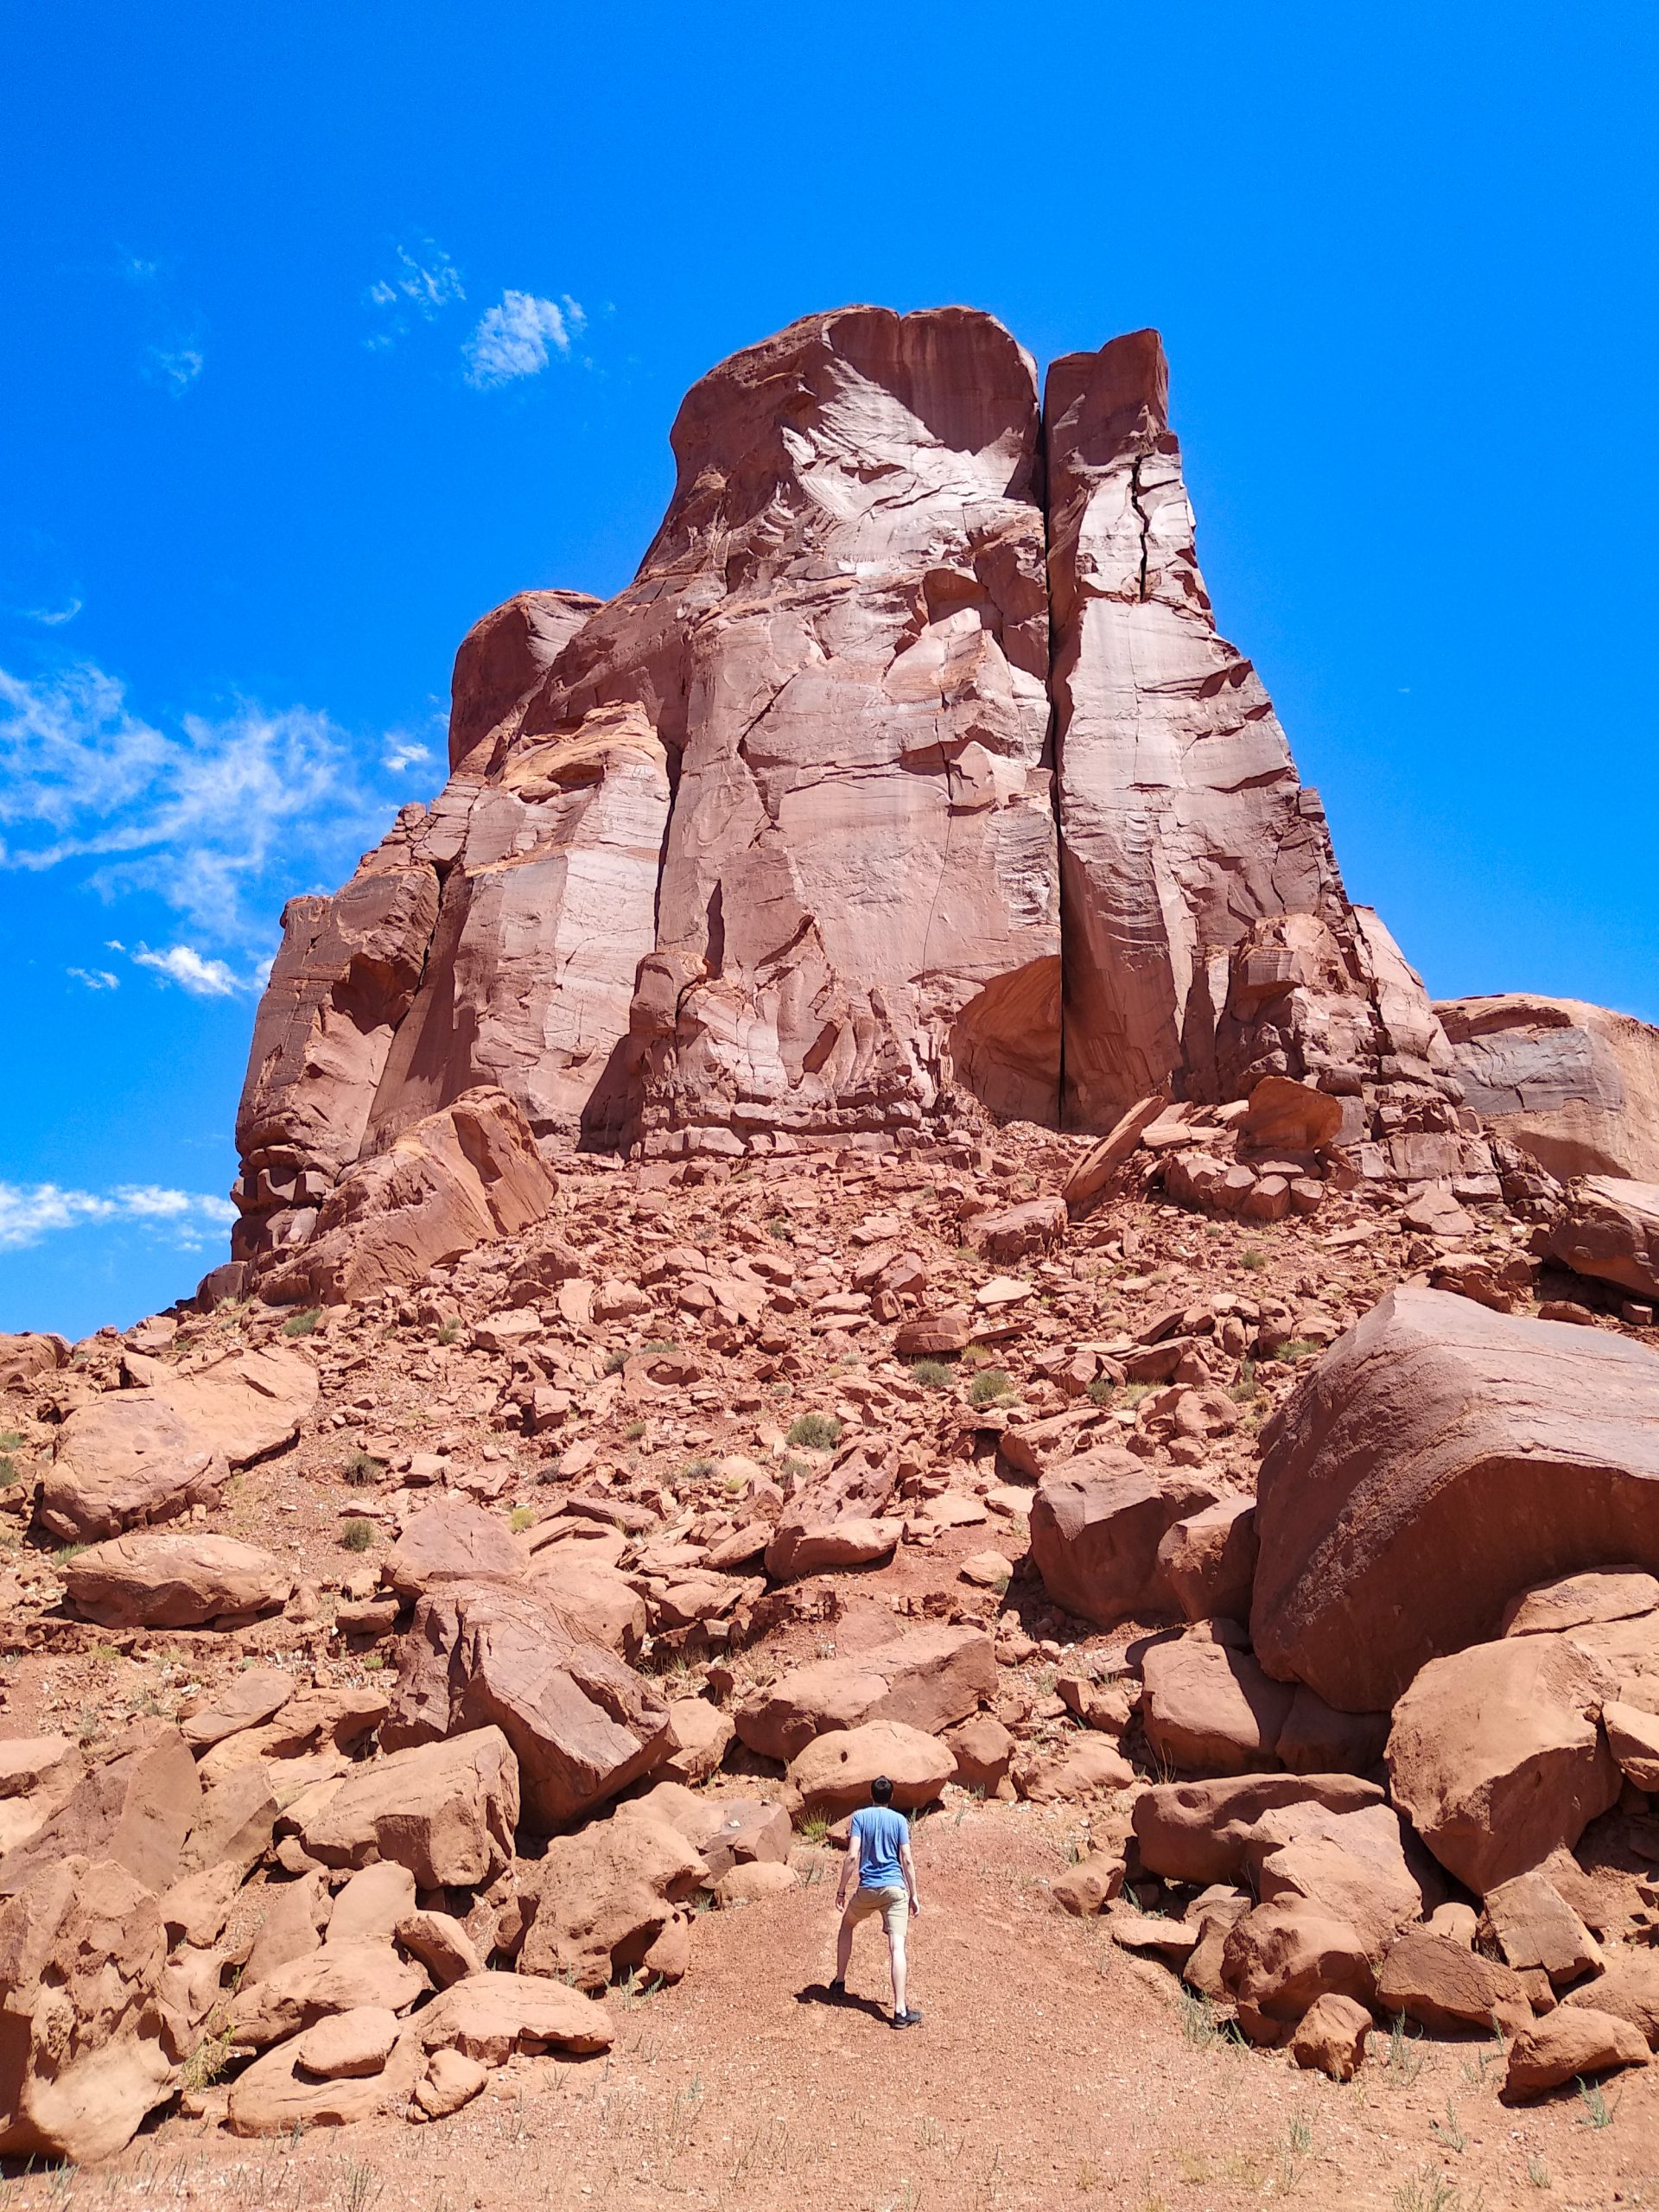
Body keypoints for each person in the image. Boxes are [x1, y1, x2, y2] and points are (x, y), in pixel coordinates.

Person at [830, 1774, 922, 2027]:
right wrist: (913, 1894)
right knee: (897, 1947)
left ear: (871, 1796)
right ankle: (900, 2011)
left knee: (847, 1925)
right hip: (895, 1890)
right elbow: (907, 1859)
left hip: (868, 1889)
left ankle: (839, 1982)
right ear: (891, 1797)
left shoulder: (860, 1817)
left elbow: (851, 1857)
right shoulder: (900, 1821)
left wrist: (841, 1890)